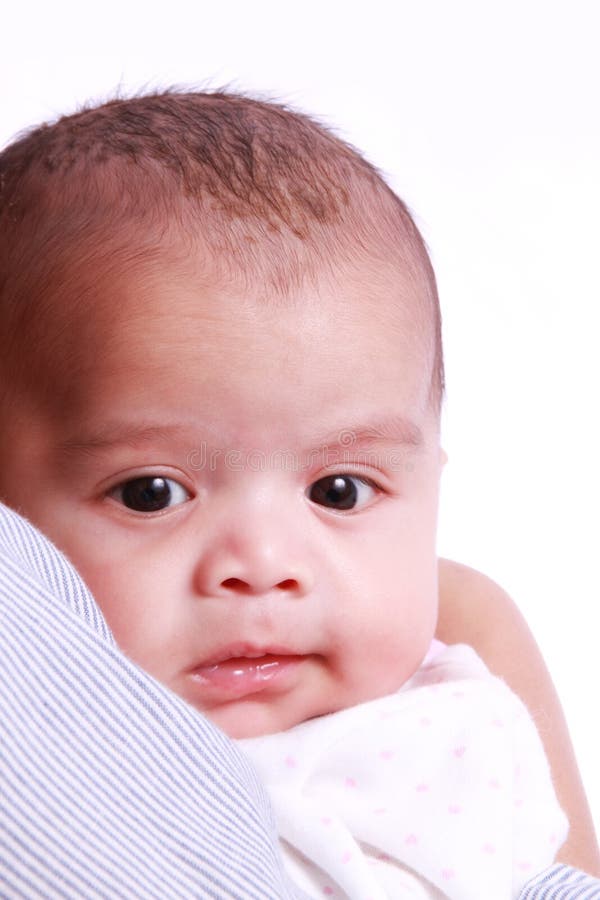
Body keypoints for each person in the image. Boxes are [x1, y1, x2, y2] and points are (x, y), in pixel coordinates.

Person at [0, 90, 597, 897]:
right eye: (151, 493)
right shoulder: (62, 758)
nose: (265, 566)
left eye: (340, 491)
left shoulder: (462, 705)